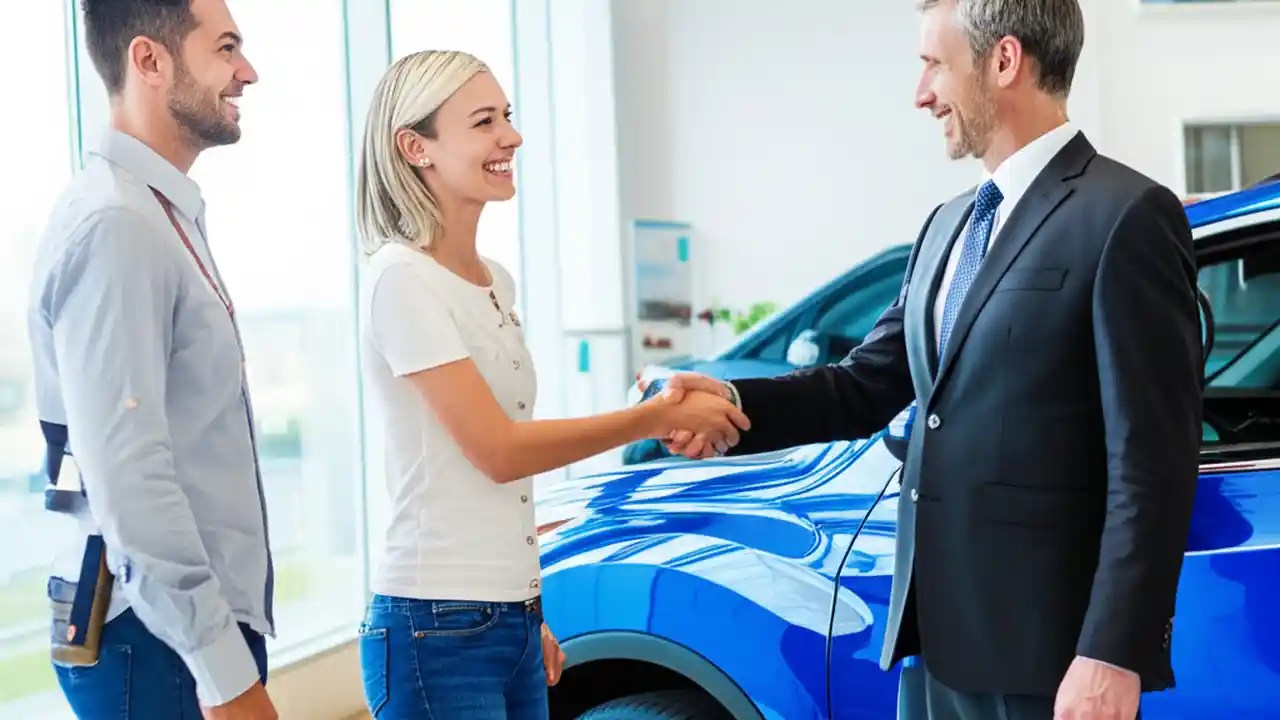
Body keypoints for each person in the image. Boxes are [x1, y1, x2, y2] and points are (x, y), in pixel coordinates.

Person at [656, 1, 1203, 718]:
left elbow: (1152, 459)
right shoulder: (947, 225)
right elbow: (864, 385)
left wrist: (1112, 651)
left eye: (933, 66)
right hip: (934, 642)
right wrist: (729, 404)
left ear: (1004, 61)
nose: (921, 94)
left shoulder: (1126, 215)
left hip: (1049, 652)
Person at [353, 50, 748, 719]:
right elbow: (499, 450)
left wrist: (520, 609)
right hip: (432, 626)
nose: (512, 136)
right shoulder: (401, 279)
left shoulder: (494, 280)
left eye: (507, 115)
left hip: (506, 618)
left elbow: (493, 485)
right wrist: (652, 419)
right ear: (415, 147)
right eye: (484, 121)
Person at [27, 1, 277, 718]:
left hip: (169, 635)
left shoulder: (154, 215)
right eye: (226, 48)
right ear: (149, 61)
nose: (247, 72)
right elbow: (129, 479)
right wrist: (224, 674)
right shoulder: (118, 227)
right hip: (158, 644)